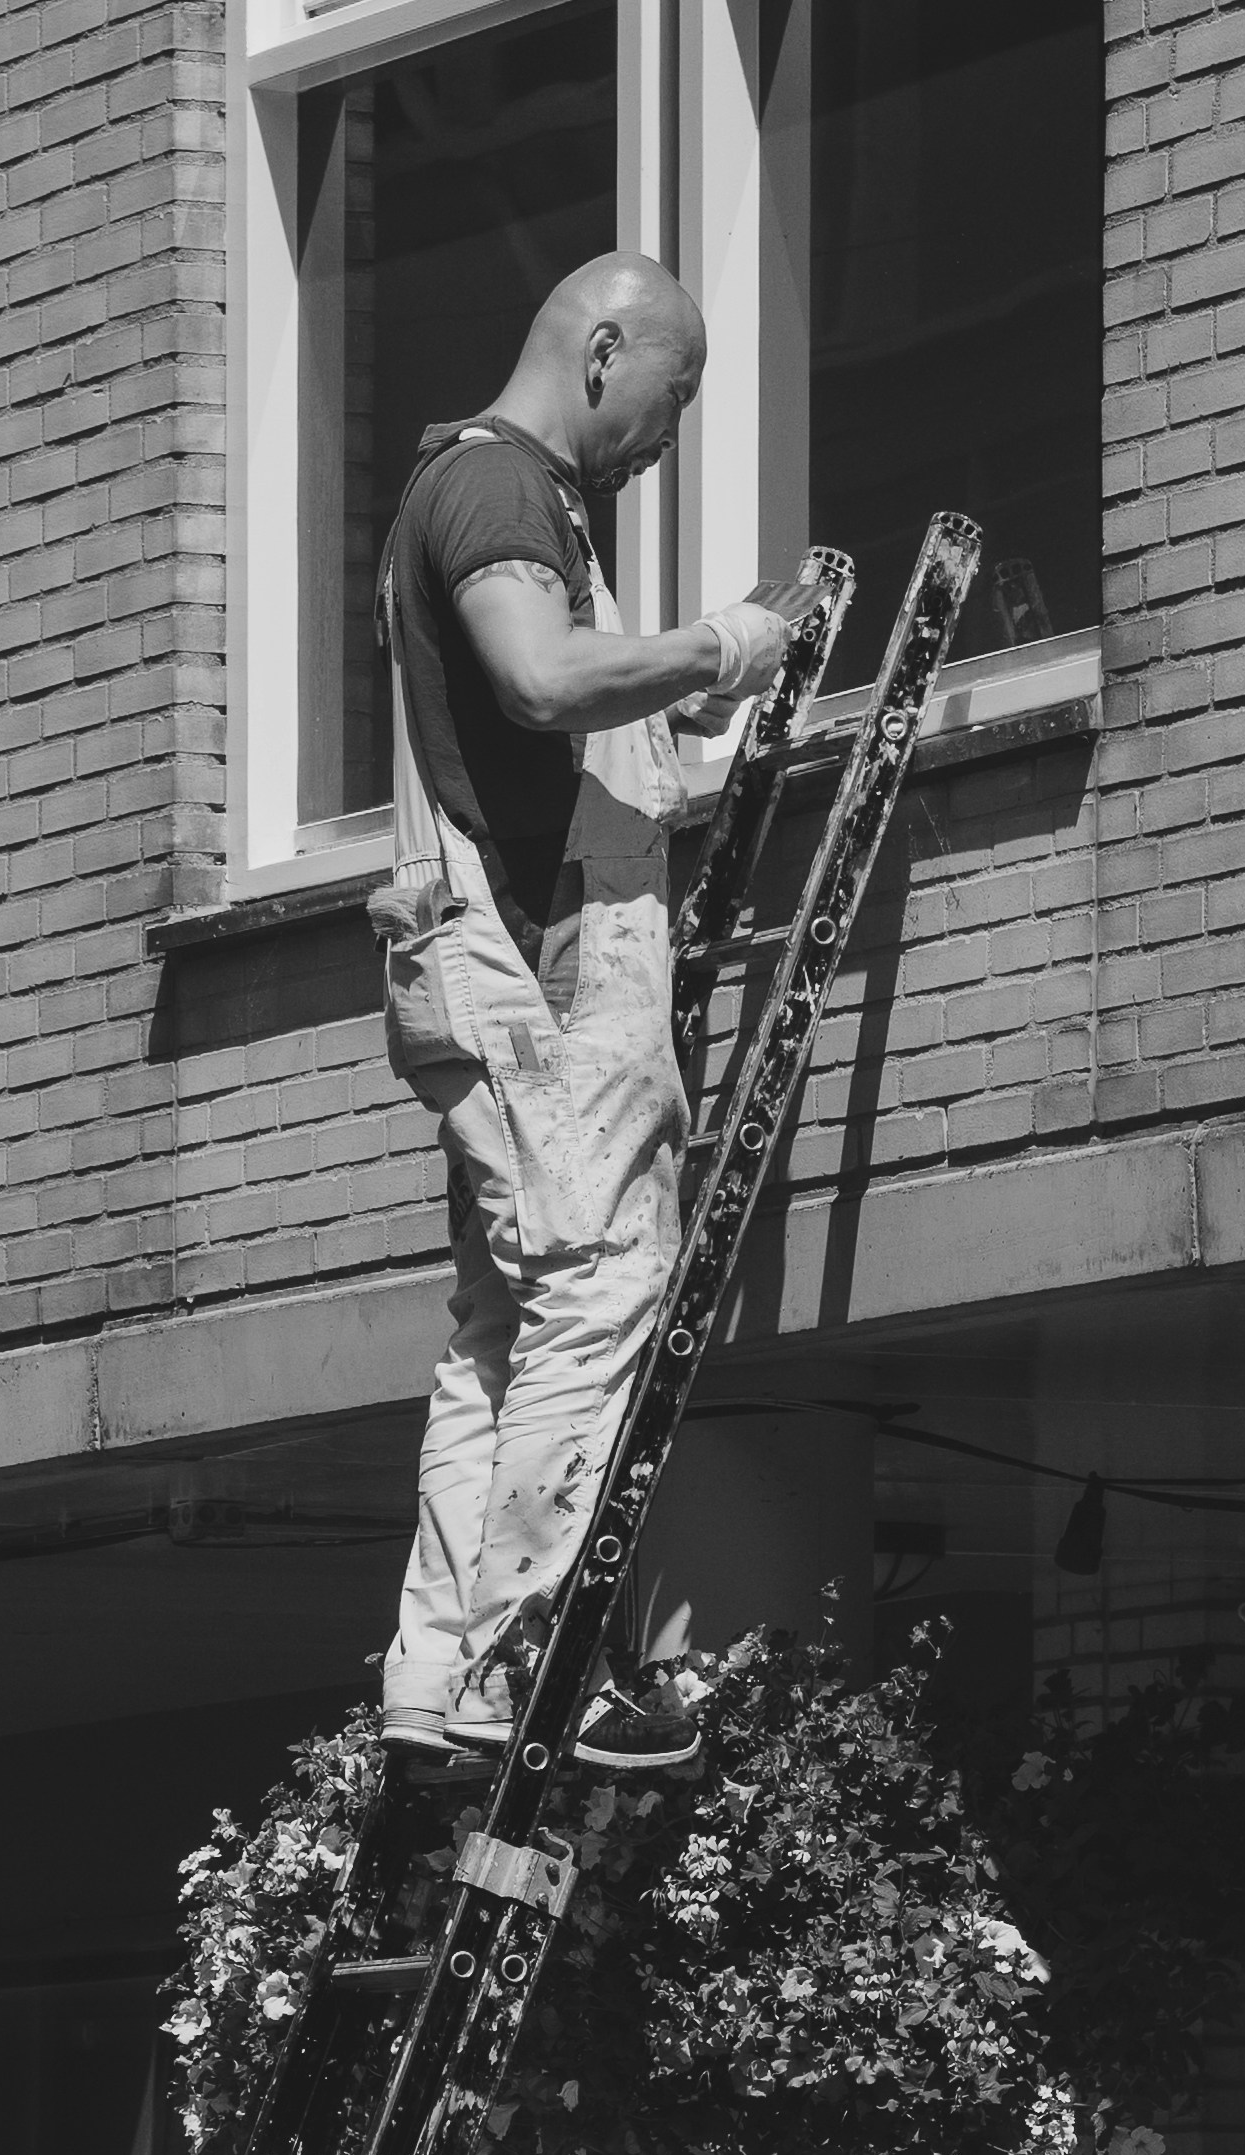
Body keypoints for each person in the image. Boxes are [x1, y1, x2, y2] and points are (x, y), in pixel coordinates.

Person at [369, 255, 809, 1782]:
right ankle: (524, 1665)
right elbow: (543, 679)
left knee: (500, 1331)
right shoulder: (499, 493)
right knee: (602, 1287)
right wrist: (719, 649)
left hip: (486, 974)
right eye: (675, 396)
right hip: (540, 974)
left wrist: (683, 697)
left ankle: (438, 1675)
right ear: (605, 347)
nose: (672, 434)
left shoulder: (481, 496)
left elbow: (543, 724)